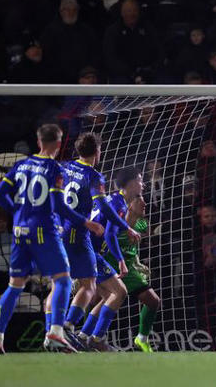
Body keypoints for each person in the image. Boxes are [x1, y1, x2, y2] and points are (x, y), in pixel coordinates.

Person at [0, 124, 105, 353]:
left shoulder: (21, 164)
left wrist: (17, 212)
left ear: (38, 141)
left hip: (19, 231)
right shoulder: (54, 168)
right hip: (44, 231)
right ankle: (56, 333)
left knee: (15, 286)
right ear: (59, 144)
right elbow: (59, 206)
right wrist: (86, 222)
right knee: (63, 280)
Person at [59, 133, 139, 351]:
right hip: (80, 237)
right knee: (109, 290)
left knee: (102, 292)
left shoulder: (66, 167)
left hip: (63, 232)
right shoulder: (95, 177)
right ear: (97, 151)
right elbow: (105, 213)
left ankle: (83, 335)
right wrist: (127, 228)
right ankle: (73, 330)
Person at [99, 167, 160, 352]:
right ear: (130, 203)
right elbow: (106, 239)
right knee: (94, 299)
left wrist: (137, 263)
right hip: (108, 265)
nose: (144, 203)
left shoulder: (141, 224)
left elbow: (131, 249)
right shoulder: (116, 217)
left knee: (153, 301)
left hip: (127, 269)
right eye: (140, 199)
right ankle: (88, 337)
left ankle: (141, 338)